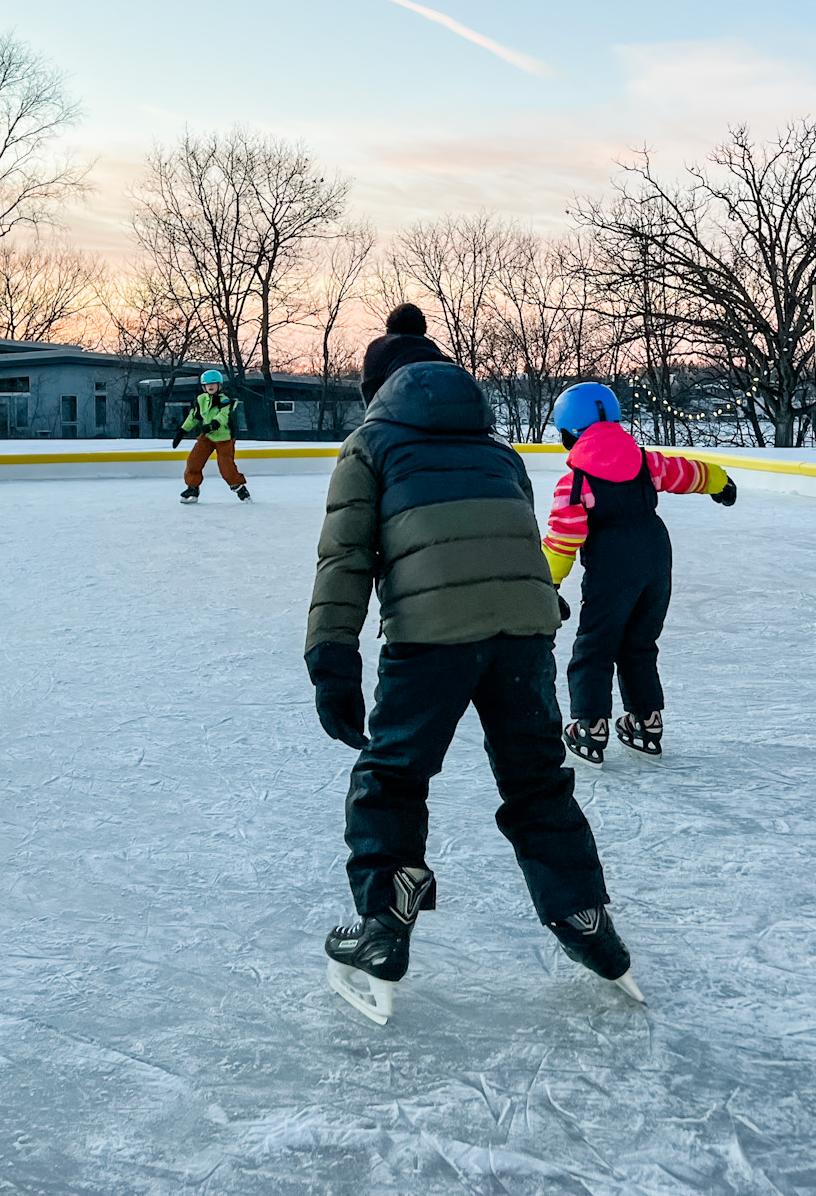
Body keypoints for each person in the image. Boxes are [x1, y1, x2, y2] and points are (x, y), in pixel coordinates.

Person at [303, 334, 641, 1023]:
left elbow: (345, 557)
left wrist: (332, 658)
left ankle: (384, 925)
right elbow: (517, 537)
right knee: (536, 781)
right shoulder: (497, 450)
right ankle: (584, 917)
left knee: (393, 776)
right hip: (524, 630)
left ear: (376, 391)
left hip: (431, 635)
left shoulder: (370, 446)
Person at [541, 382, 737, 766]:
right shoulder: (645, 462)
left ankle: (591, 726)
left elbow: (563, 539)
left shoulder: (576, 483)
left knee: (595, 645)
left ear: (568, 433)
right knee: (640, 643)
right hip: (656, 559)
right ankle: (647, 722)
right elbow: (686, 472)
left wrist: (548, 583)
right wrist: (720, 482)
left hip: (612, 568)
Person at [173, 370, 249, 502]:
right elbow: (194, 416)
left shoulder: (226, 400)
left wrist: (213, 425)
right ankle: (192, 488)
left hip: (224, 438)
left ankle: (239, 487)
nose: (210, 386)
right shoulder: (201, 399)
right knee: (194, 461)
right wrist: (182, 431)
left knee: (226, 466)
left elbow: (223, 416)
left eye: (213, 384)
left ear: (219, 385)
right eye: (207, 384)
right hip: (207, 437)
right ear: (203, 386)